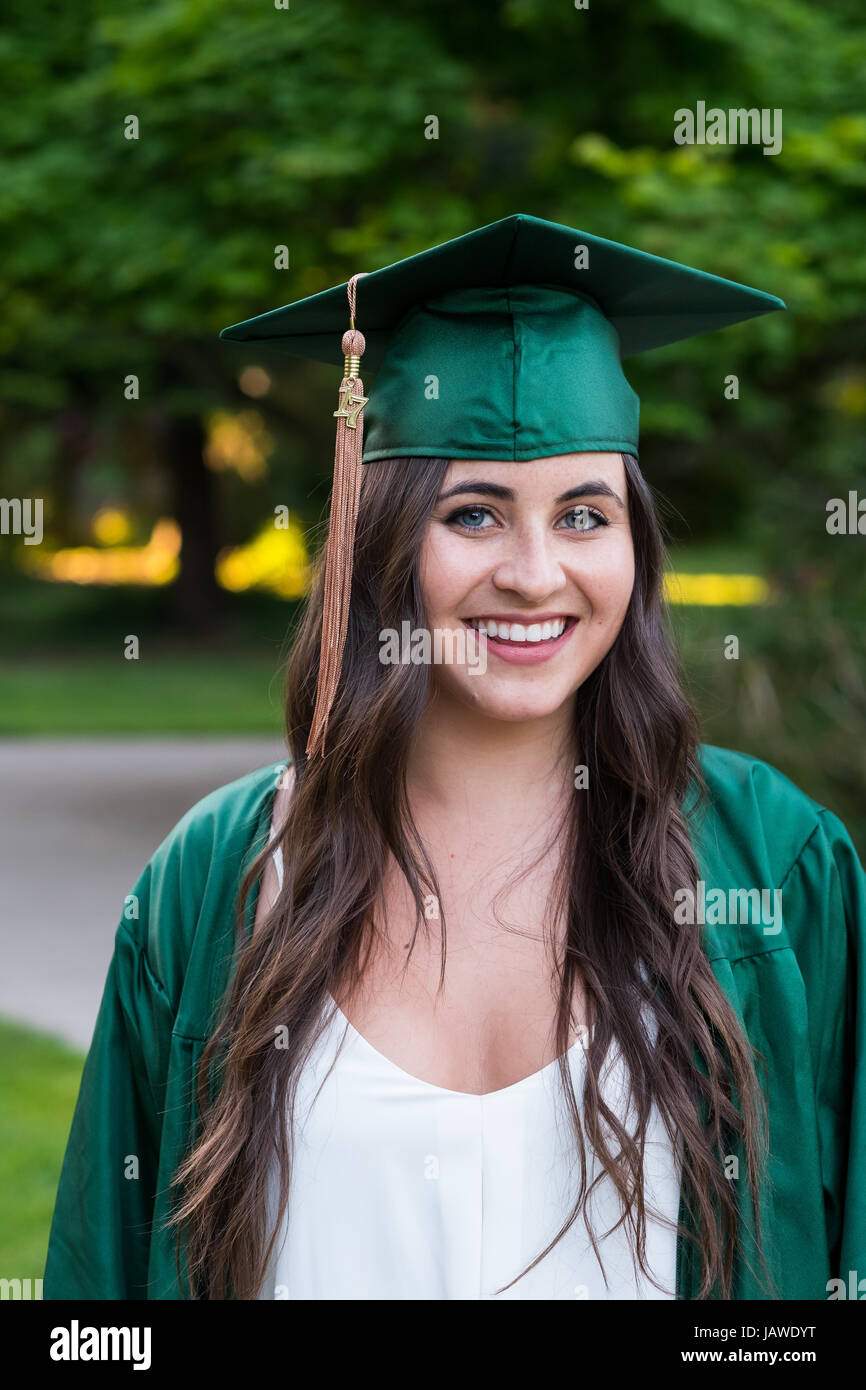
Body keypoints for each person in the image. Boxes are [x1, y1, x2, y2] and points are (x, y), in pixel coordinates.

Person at [44, 214, 866, 1301]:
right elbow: (99, 1294)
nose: (534, 573)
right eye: (473, 514)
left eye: (584, 514)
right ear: (382, 542)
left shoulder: (771, 865)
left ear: (635, 546)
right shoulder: (216, 881)